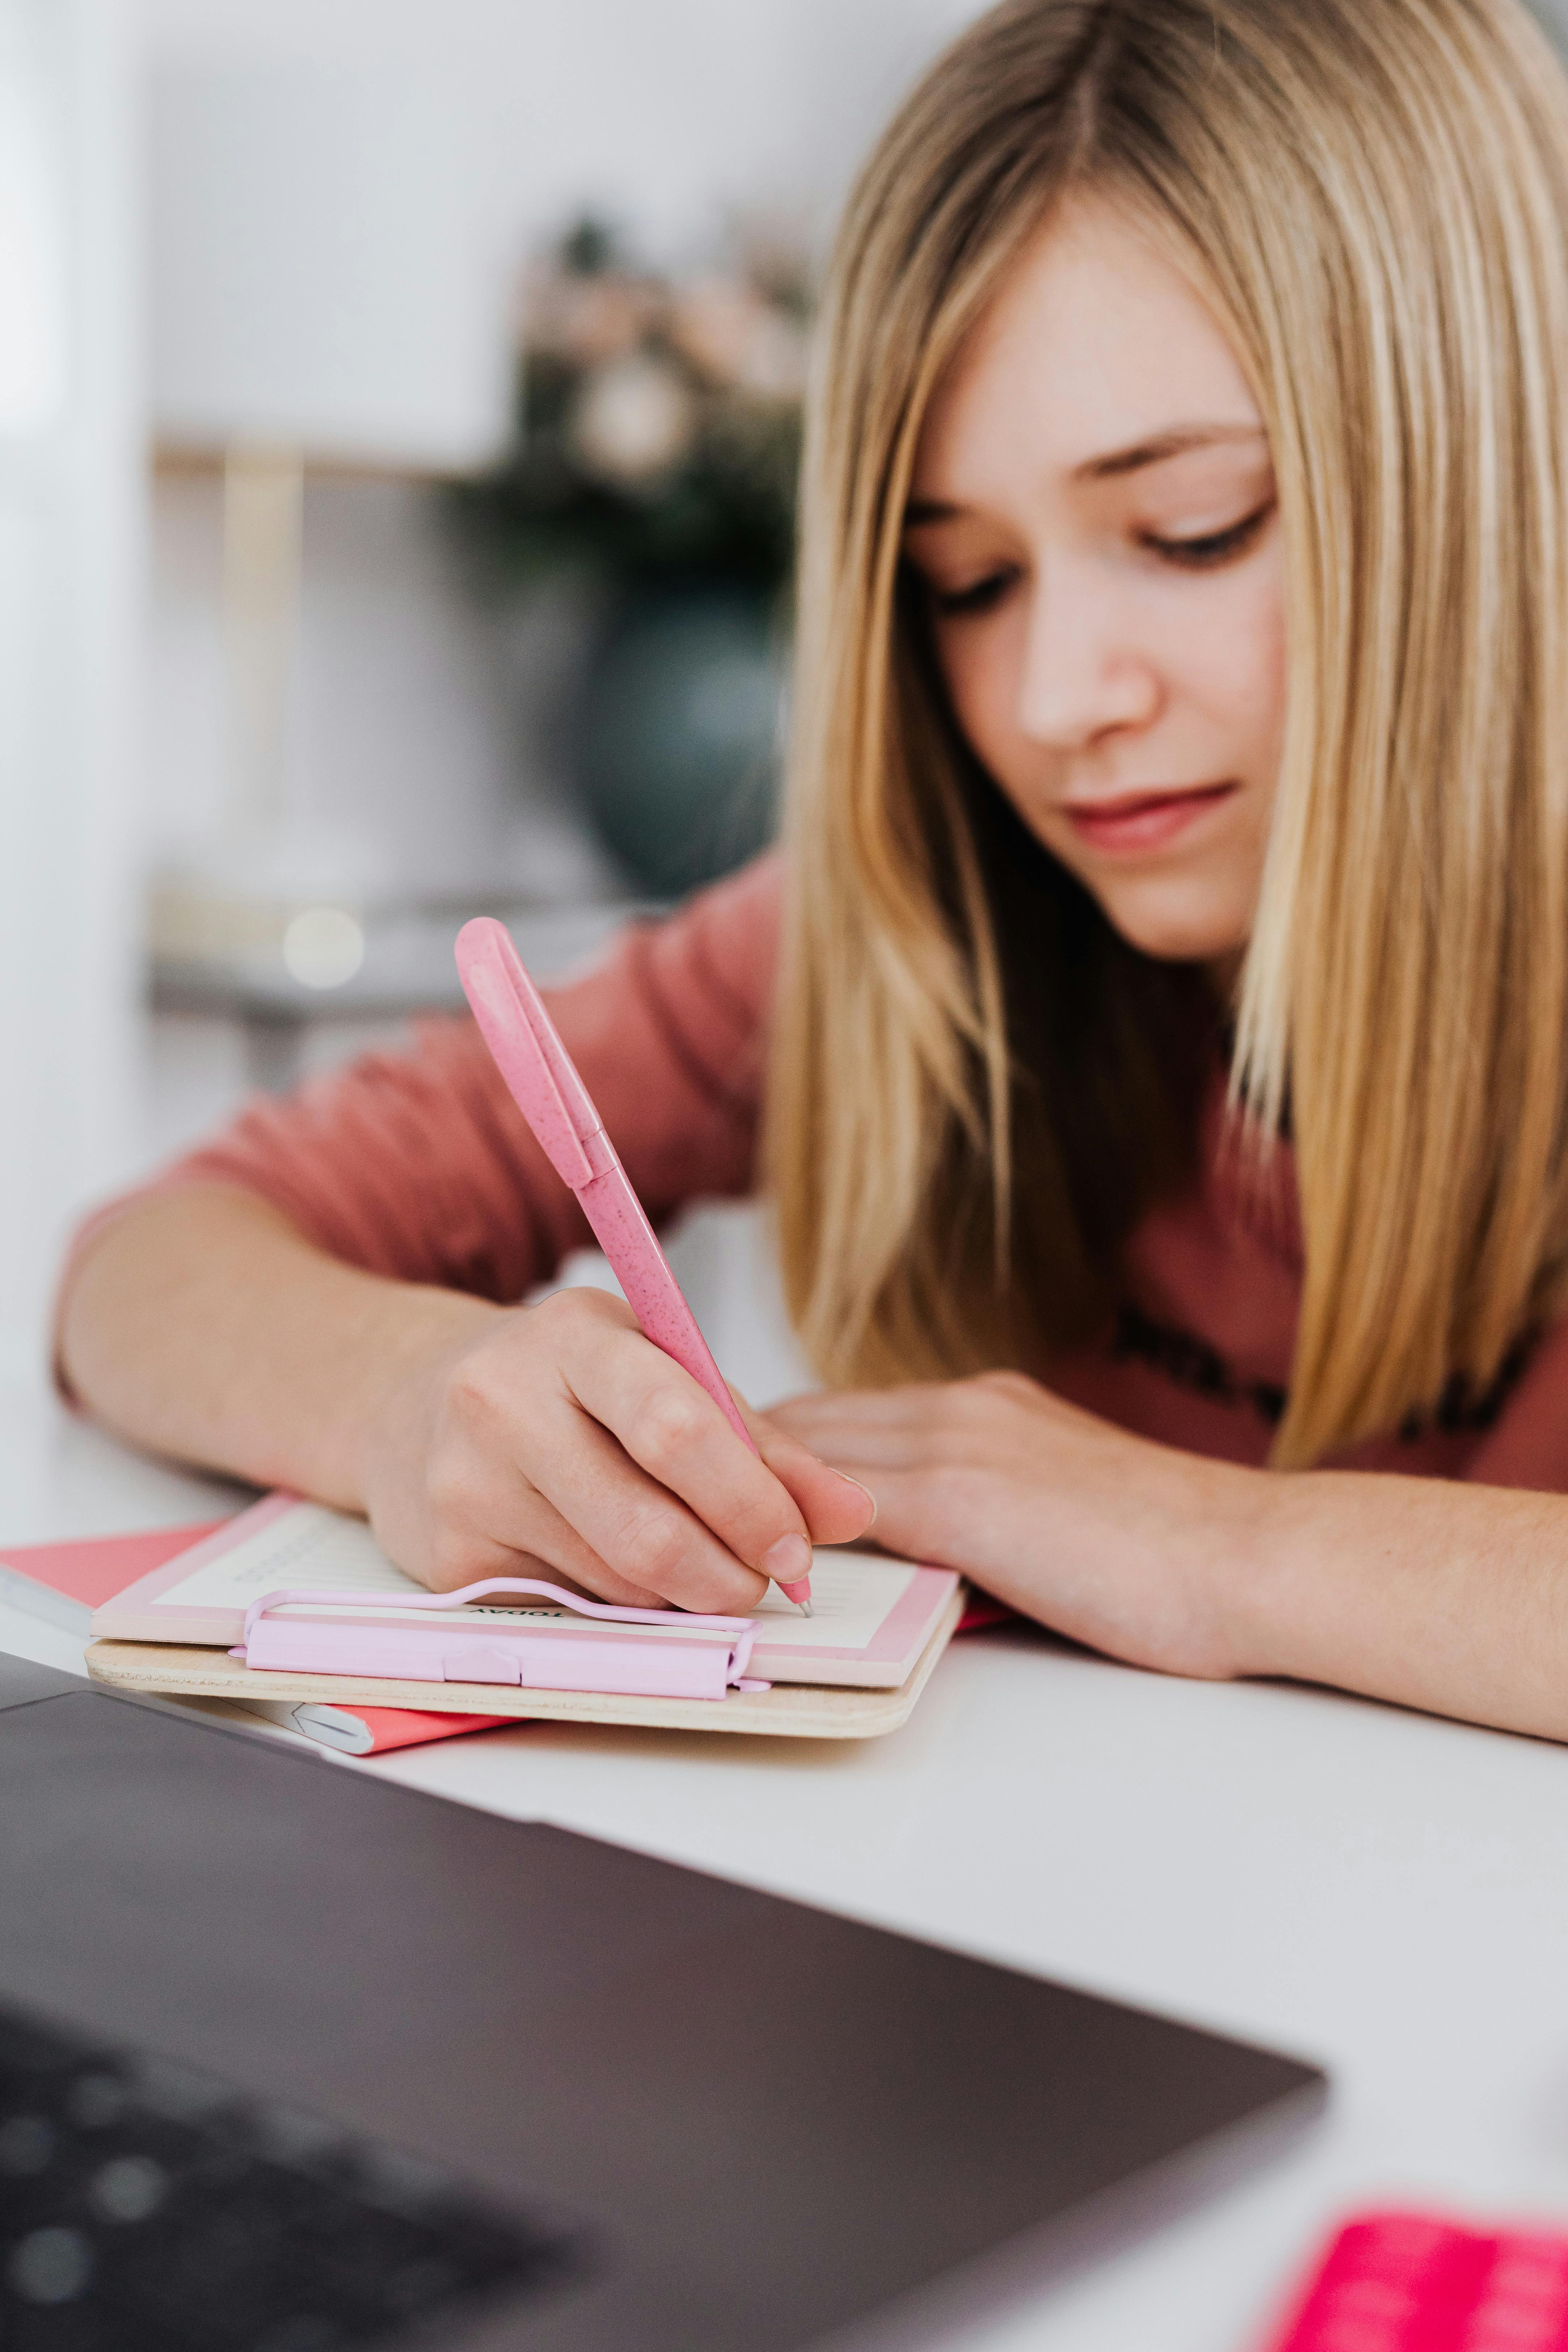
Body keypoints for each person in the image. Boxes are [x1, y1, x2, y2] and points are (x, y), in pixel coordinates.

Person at [59, 0, 1568, 1739]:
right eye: (965, 580)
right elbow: (136, 1272)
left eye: (1190, 529)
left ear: (1487, 471)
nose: (1055, 701)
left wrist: (1213, 1541)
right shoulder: (924, 922)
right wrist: (408, 1396)